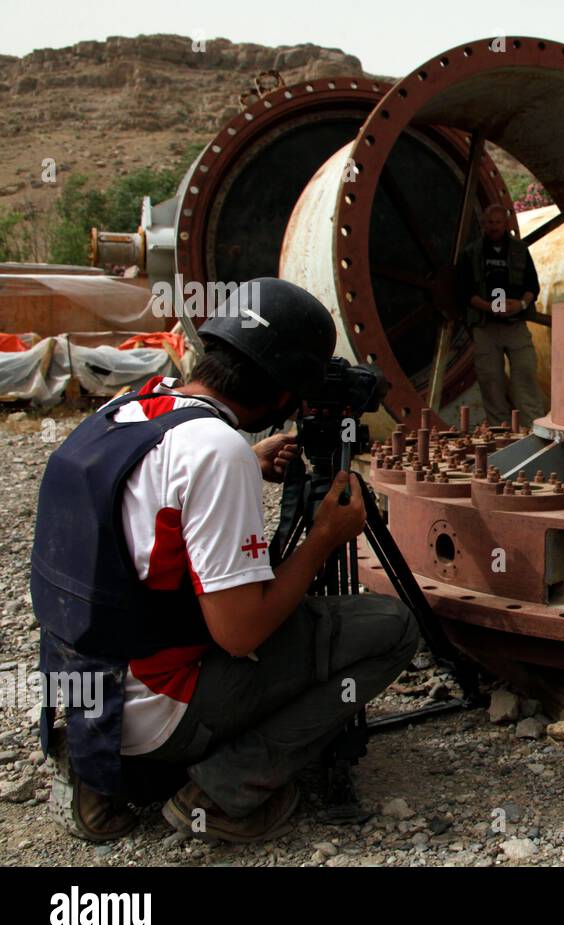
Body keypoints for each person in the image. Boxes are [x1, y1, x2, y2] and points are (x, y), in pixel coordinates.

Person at [30, 277, 419, 844]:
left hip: (88, 694)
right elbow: (241, 634)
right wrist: (323, 540)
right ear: (286, 393)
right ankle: (224, 792)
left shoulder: (132, 407)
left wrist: (240, 452)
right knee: (392, 629)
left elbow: (146, 504)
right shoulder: (215, 450)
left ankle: (104, 782)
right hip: (157, 706)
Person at [457, 204, 547, 429]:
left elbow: (532, 286)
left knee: (525, 375)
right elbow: (466, 292)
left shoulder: (519, 250)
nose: (494, 227)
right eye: (489, 223)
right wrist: (488, 307)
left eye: (498, 222)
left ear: (505, 223)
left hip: (515, 326)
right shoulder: (472, 253)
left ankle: (533, 430)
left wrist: (520, 304)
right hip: (486, 327)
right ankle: (501, 434)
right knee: (491, 382)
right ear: (483, 224)